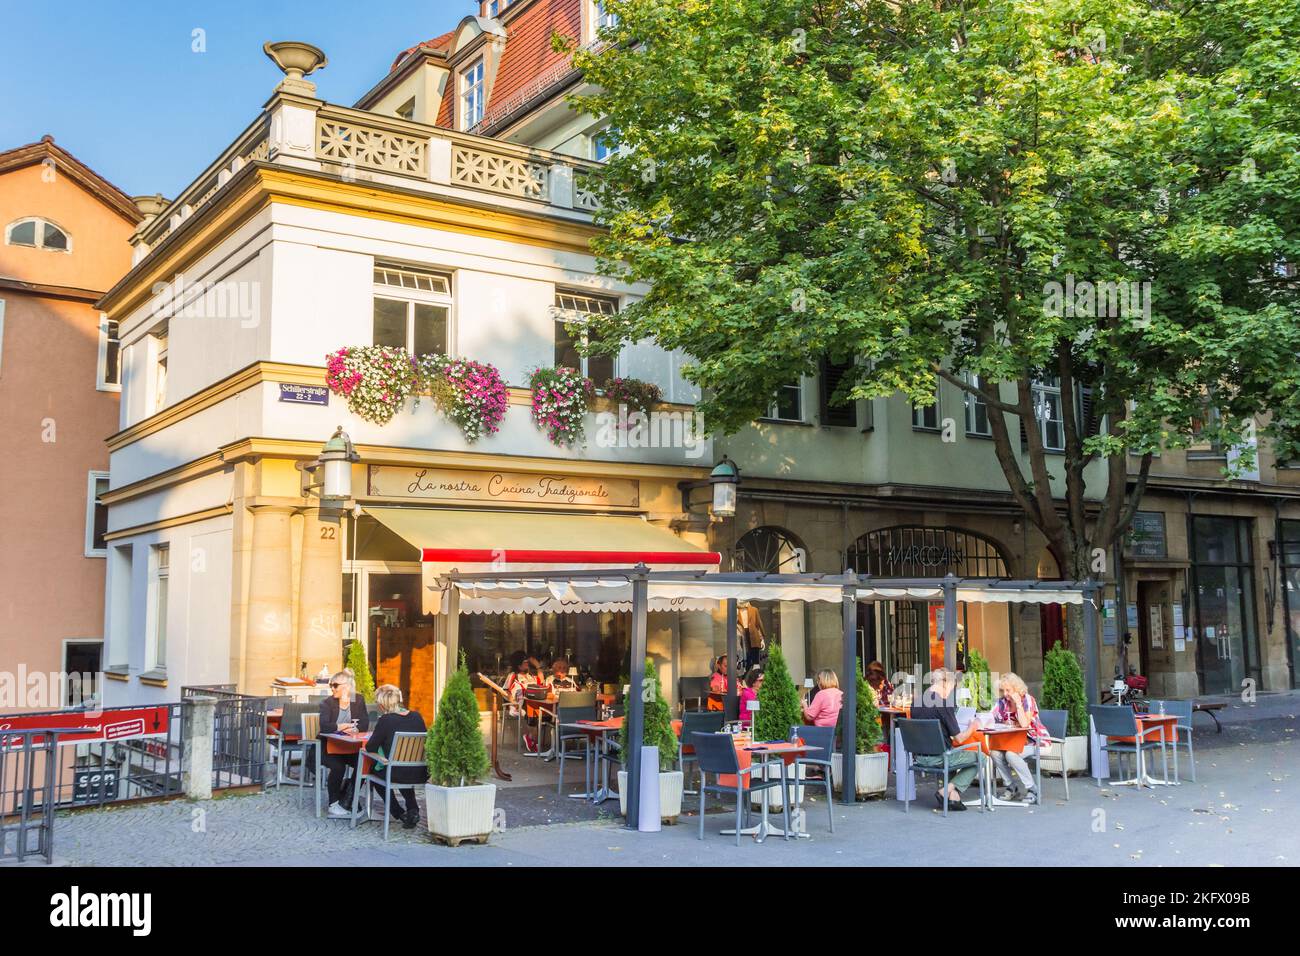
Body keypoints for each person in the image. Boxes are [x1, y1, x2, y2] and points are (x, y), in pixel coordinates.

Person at [908, 668, 983, 811]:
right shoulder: (943, 704)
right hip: (940, 758)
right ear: (945, 683)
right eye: (952, 687)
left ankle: (953, 796)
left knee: (953, 752)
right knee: (981, 757)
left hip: (919, 757)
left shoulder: (915, 703)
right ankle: (945, 791)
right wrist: (973, 726)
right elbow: (959, 738)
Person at [365, 684, 428, 829]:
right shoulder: (417, 716)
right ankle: (413, 809)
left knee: (375, 774)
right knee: (401, 768)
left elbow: (370, 747)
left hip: (395, 773)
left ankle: (399, 813)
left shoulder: (385, 720)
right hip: (419, 772)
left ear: (381, 705)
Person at [988, 672, 1050, 803]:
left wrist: (1018, 704)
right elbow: (990, 718)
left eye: (1008, 690)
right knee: (994, 753)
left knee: (1011, 755)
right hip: (1012, 741)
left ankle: (1032, 789)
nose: (1005, 694)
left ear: (1016, 688)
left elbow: (1024, 724)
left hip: (1036, 741)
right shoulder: (1002, 702)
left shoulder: (1027, 699)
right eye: (1002, 690)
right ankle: (1011, 786)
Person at [320, 671, 370, 818]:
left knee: (366, 762)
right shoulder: (327, 703)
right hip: (328, 748)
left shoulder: (358, 700)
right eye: (331, 685)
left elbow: (364, 724)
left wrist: (351, 728)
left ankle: (348, 797)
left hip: (350, 747)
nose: (332, 688)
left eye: (335, 685)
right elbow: (324, 726)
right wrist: (343, 726)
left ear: (347, 687)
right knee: (338, 766)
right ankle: (333, 804)